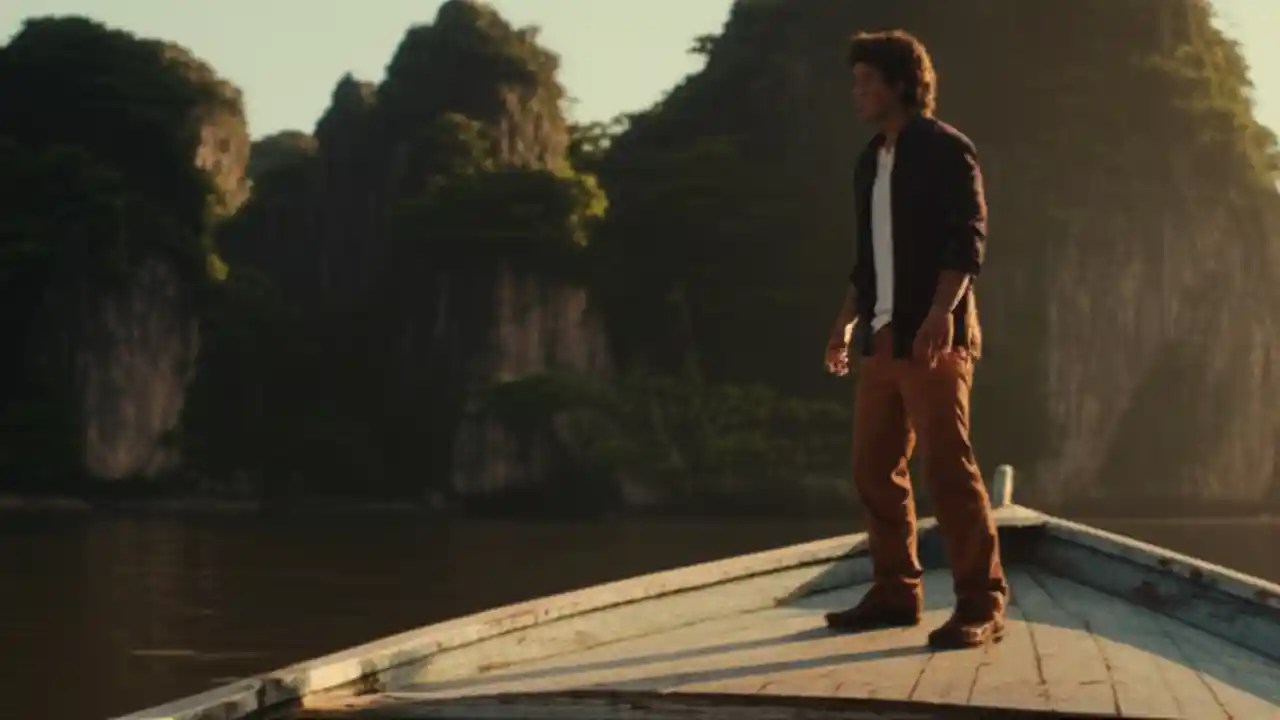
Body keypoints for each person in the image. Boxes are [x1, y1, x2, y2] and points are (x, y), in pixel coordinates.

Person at [822, 29, 1008, 649]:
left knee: (949, 470)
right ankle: (896, 591)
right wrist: (847, 319)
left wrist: (940, 313)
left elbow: (968, 238)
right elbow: (868, 258)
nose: (857, 92)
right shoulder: (868, 160)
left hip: (936, 337)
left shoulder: (947, 149)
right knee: (874, 469)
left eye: (866, 81)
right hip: (881, 338)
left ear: (900, 83)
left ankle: (981, 602)